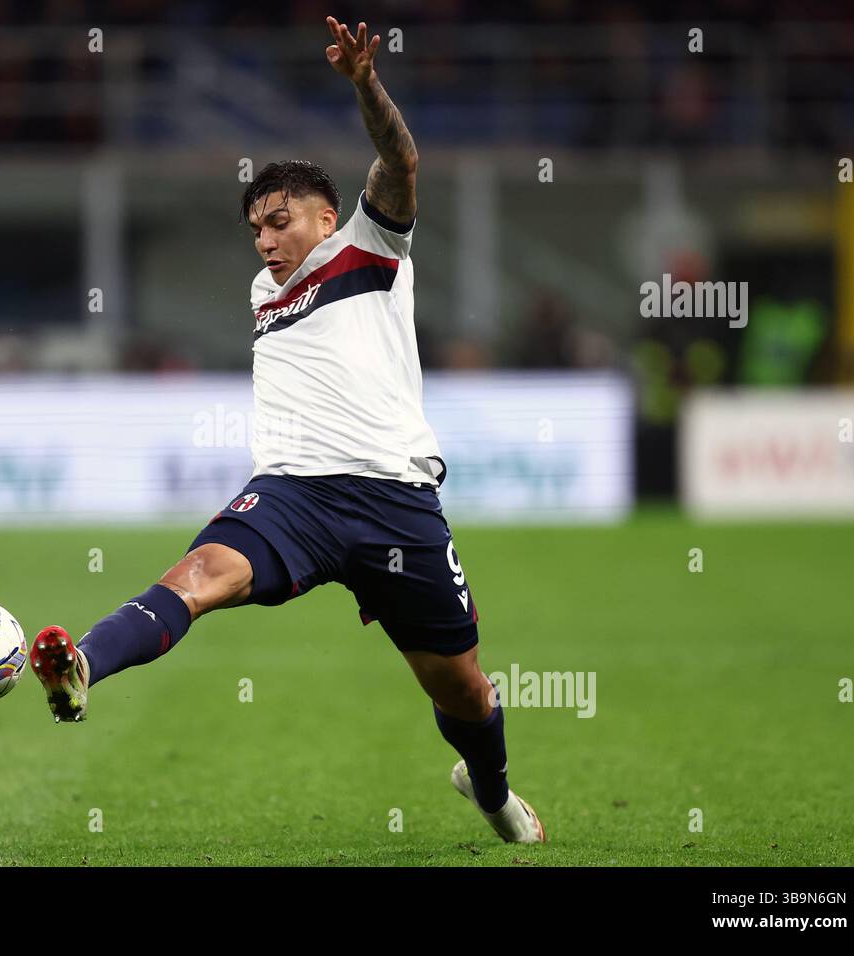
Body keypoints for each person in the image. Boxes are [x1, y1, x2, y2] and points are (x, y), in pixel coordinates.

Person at [30, 16, 545, 844]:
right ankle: (82, 663)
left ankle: (493, 795)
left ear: (328, 215)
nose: (267, 241)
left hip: (393, 500)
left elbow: (401, 162)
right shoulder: (265, 295)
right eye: (257, 229)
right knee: (200, 572)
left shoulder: (371, 247)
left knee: (464, 691)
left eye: (282, 221)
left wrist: (365, 85)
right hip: (293, 494)